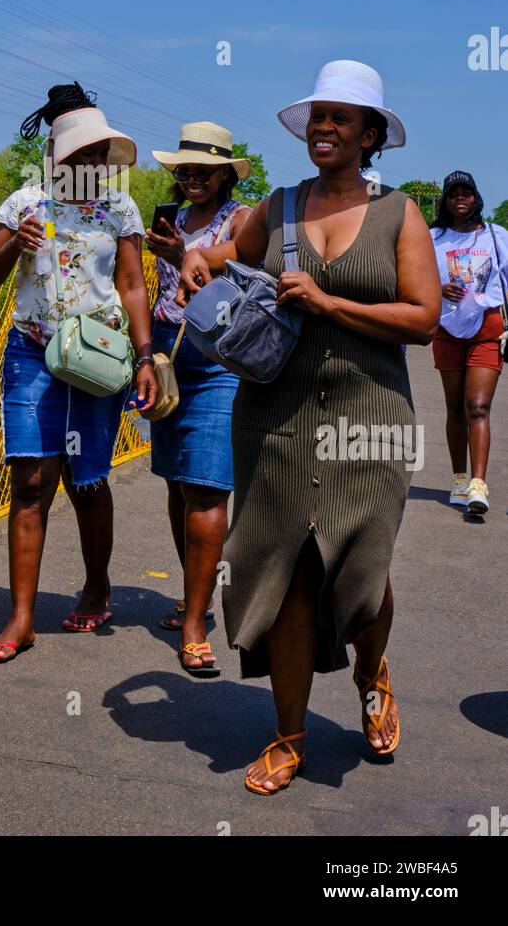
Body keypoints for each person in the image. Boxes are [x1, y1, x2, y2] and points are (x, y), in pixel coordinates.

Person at [177, 60, 441, 793]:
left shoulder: (399, 212)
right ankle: (288, 735)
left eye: (341, 118)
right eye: (318, 116)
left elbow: (423, 318)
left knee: (360, 572)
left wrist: (329, 306)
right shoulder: (281, 204)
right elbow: (225, 256)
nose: (325, 128)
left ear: (370, 135)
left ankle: (371, 667)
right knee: (290, 575)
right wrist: (201, 260)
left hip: (371, 420)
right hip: (275, 417)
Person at [0, 82, 157, 662]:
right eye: (80, 153)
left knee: (88, 482)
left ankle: (97, 586)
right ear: (56, 155)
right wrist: (13, 248)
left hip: (98, 358)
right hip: (33, 352)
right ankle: (22, 618)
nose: (92, 162)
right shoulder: (25, 204)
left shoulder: (120, 208)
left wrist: (147, 355)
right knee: (30, 482)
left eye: (99, 154)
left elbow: (131, 285)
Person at [145, 123, 252, 676]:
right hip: (169, 353)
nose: (190, 179)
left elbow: (247, 281)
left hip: (218, 360)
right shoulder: (172, 215)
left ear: (225, 175)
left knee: (208, 487)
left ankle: (195, 621)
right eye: (183, 170)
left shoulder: (241, 220)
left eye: (202, 171)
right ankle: (192, 595)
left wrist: (183, 252)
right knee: (175, 479)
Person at [430, 171, 508, 514]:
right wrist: (436, 290)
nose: (460, 198)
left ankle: (479, 484)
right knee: (453, 407)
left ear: (476, 198)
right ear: (445, 201)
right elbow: (412, 277)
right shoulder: (432, 237)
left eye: (466, 193)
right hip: (446, 328)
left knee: (477, 405)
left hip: (486, 326)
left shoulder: (495, 235)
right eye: (453, 194)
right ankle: (459, 478)